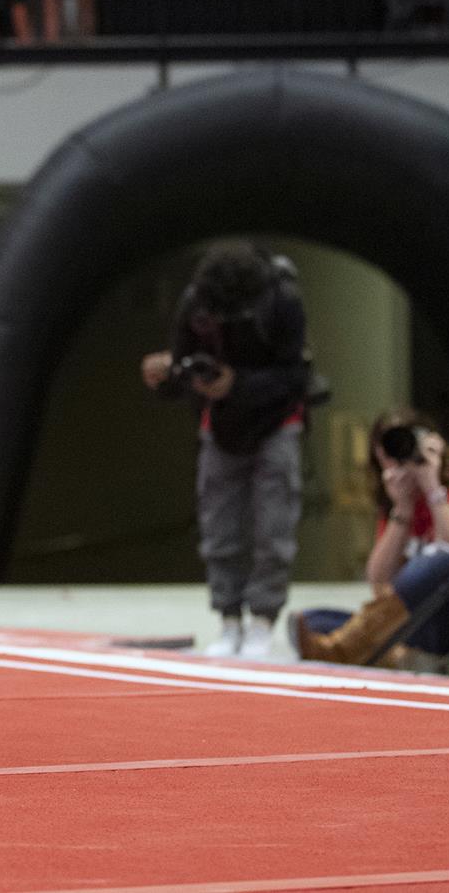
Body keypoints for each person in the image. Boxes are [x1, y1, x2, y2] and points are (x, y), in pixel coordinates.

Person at [142, 243, 310, 660]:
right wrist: (167, 375)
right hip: (220, 426)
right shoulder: (196, 300)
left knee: (273, 529)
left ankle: (262, 622)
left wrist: (238, 384)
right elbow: (185, 365)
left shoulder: (281, 300)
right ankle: (229, 620)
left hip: (277, 424)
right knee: (220, 530)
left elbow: (297, 378)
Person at [292, 412, 449, 673]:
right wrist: (403, 509)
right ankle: (415, 659)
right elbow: (380, 583)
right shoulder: (399, 503)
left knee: (439, 560)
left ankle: (351, 650)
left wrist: (433, 488)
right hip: (424, 624)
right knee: (314, 621)